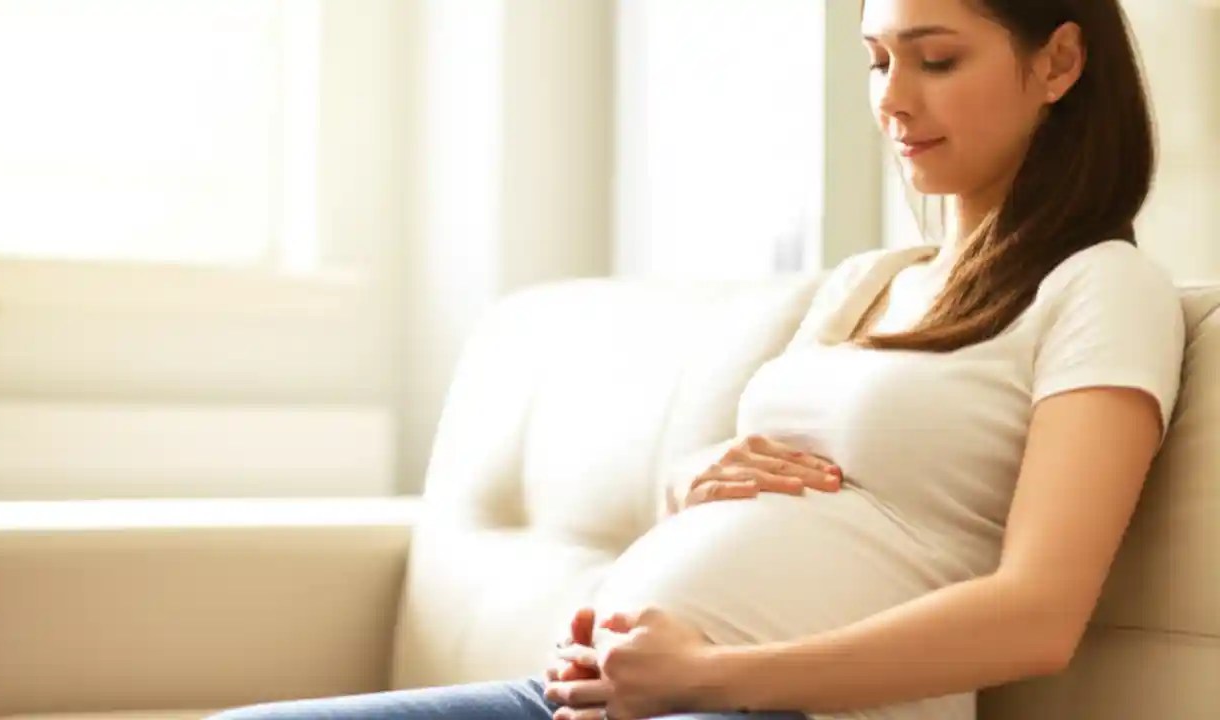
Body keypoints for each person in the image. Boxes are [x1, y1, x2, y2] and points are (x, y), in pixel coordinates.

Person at [207, 0, 1186, 718]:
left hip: (767, 711)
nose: (892, 99)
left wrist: (705, 675)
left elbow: (1037, 618)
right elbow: (795, 478)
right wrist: (688, 483)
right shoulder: (867, 282)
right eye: (875, 59)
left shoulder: (1099, 287)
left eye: (934, 59)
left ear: (1057, 62)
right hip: (608, 701)